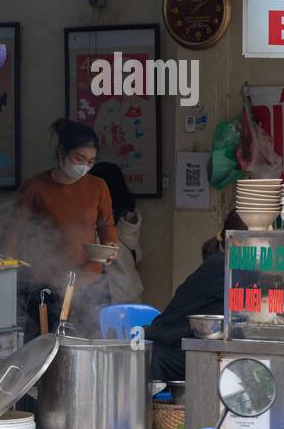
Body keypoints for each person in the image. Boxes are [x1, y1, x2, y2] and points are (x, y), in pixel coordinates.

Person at [2, 119, 118, 340]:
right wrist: (6, 271)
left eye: (91, 161)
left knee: (90, 339)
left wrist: (110, 244)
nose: (84, 166)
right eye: (79, 159)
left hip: (89, 277)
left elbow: (106, 224)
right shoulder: (35, 187)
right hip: (46, 281)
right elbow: (14, 231)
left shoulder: (98, 186)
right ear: (61, 153)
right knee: (45, 340)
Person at [148, 211, 247, 381]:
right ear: (237, 240)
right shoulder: (223, 266)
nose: (267, 244)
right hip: (170, 350)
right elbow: (265, 292)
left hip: (196, 348)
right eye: (262, 238)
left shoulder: (241, 268)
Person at [91, 161, 143, 305]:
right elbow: (136, 253)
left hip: (106, 291)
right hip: (129, 288)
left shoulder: (98, 215)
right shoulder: (129, 213)